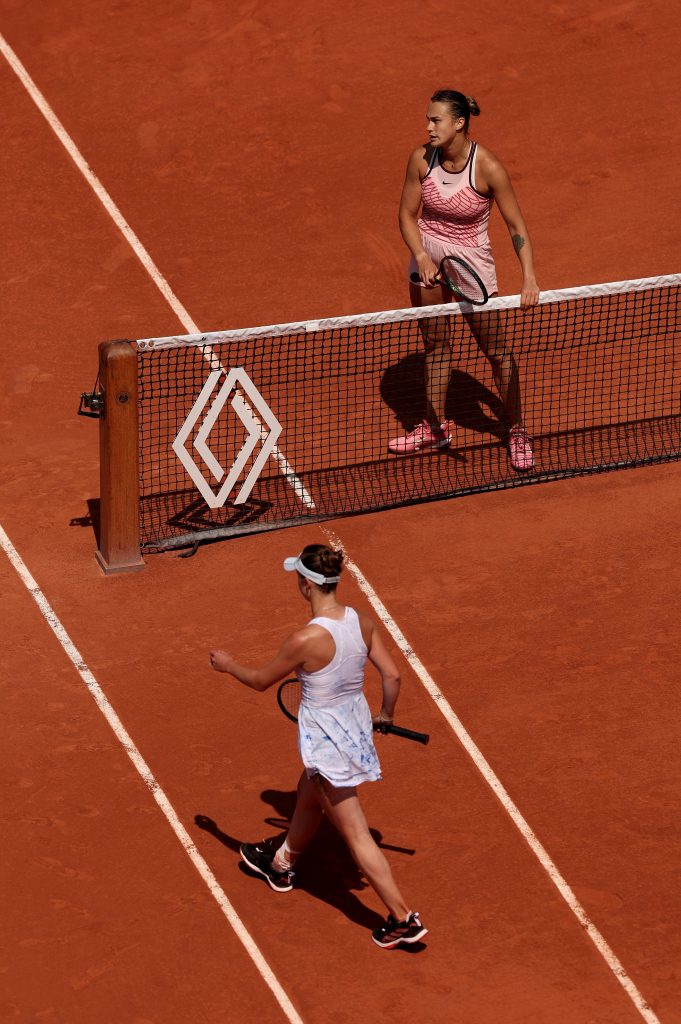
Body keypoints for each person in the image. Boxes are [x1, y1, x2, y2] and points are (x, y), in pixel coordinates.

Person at [209, 543, 427, 950]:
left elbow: (259, 681)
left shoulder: (305, 639)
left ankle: (402, 918)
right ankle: (280, 865)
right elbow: (392, 676)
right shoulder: (362, 622)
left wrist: (227, 664)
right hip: (354, 729)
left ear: (307, 585)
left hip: (328, 746)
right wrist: (386, 715)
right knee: (308, 796)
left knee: (356, 835)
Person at [389, 89, 540, 470]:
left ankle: (516, 429)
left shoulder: (487, 167)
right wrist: (422, 255)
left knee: (497, 352)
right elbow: (406, 215)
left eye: (436, 120)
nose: (428, 127)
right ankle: (435, 426)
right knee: (435, 344)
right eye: (428, 119)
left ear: (459, 123)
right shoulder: (421, 159)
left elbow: (516, 227)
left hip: (471, 262)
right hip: (428, 257)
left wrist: (529, 278)